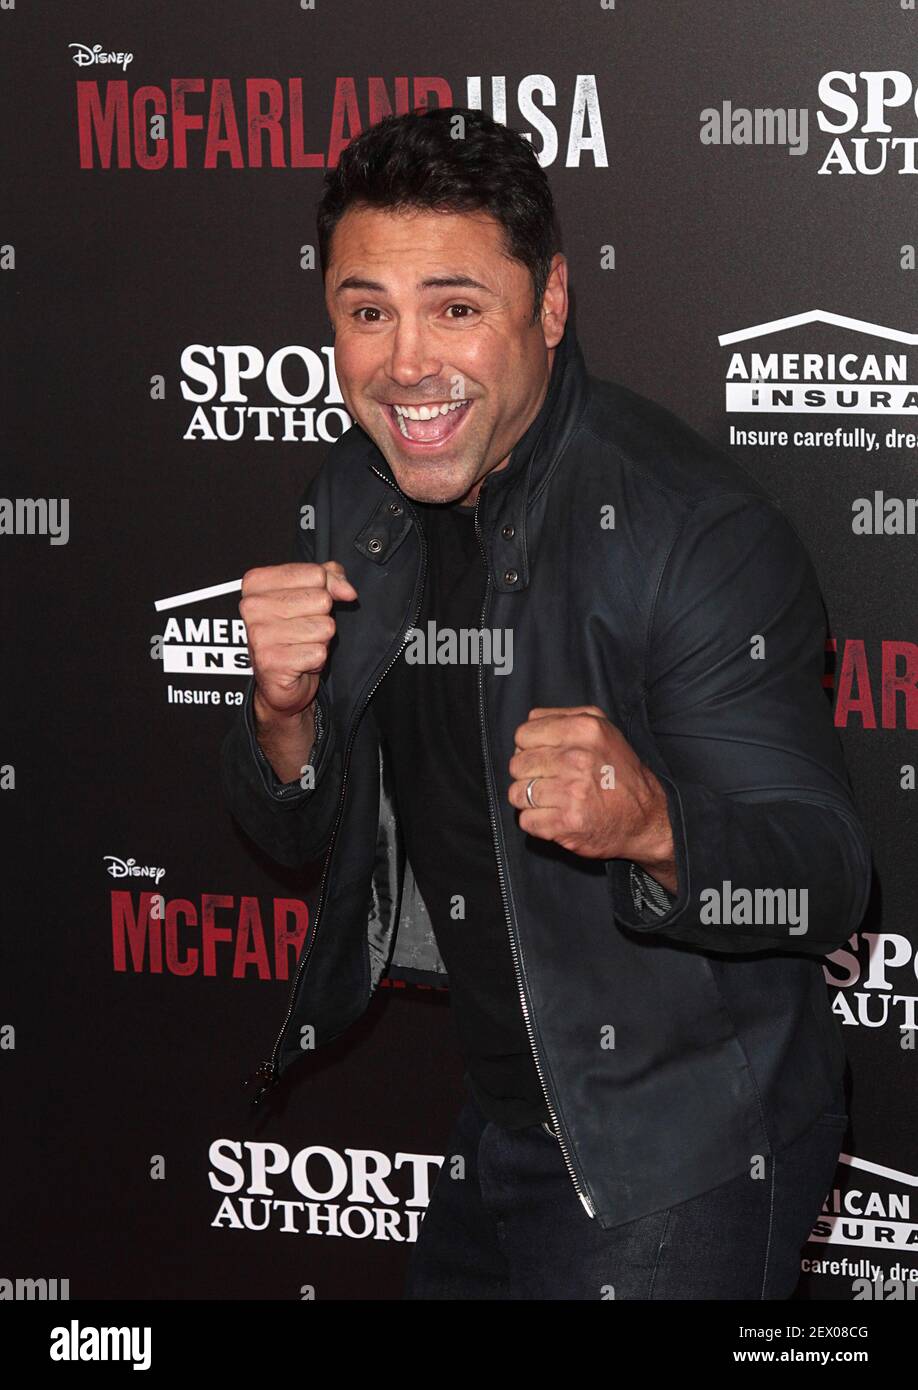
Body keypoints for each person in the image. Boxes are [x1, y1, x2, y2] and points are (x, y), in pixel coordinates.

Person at [220, 106, 871, 1299]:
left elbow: (826, 876)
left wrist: (657, 826)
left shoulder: (691, 530)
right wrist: (280, 713)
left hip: (680, 1147)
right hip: (505, 1119)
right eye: (369, 312)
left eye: (456, 308)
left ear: (551, 304)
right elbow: (294, 837)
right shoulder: (355, 496)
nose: (407, 361)